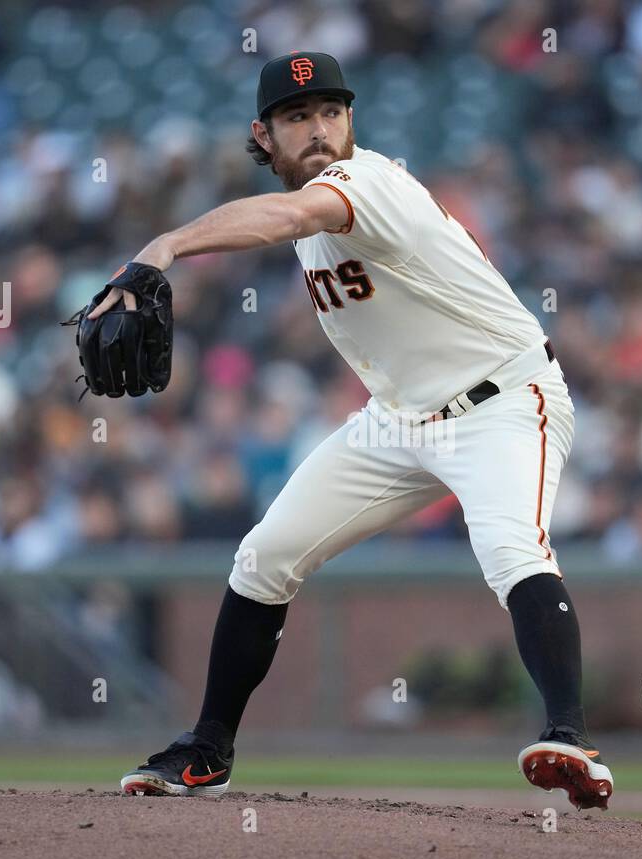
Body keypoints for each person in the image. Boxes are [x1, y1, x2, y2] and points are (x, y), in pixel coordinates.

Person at [105, 52, 611, 810]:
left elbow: (287, 216)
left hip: (504, 401)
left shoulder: (363, 182)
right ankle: (207, 749)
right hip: (397, 420)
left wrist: (165, 246)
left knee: (511, 547)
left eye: (331, 112)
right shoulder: (312, 216)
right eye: (297, 117)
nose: (318, 128)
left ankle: (570, 741)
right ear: (263, 134)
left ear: (352, 120)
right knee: (266, 554)